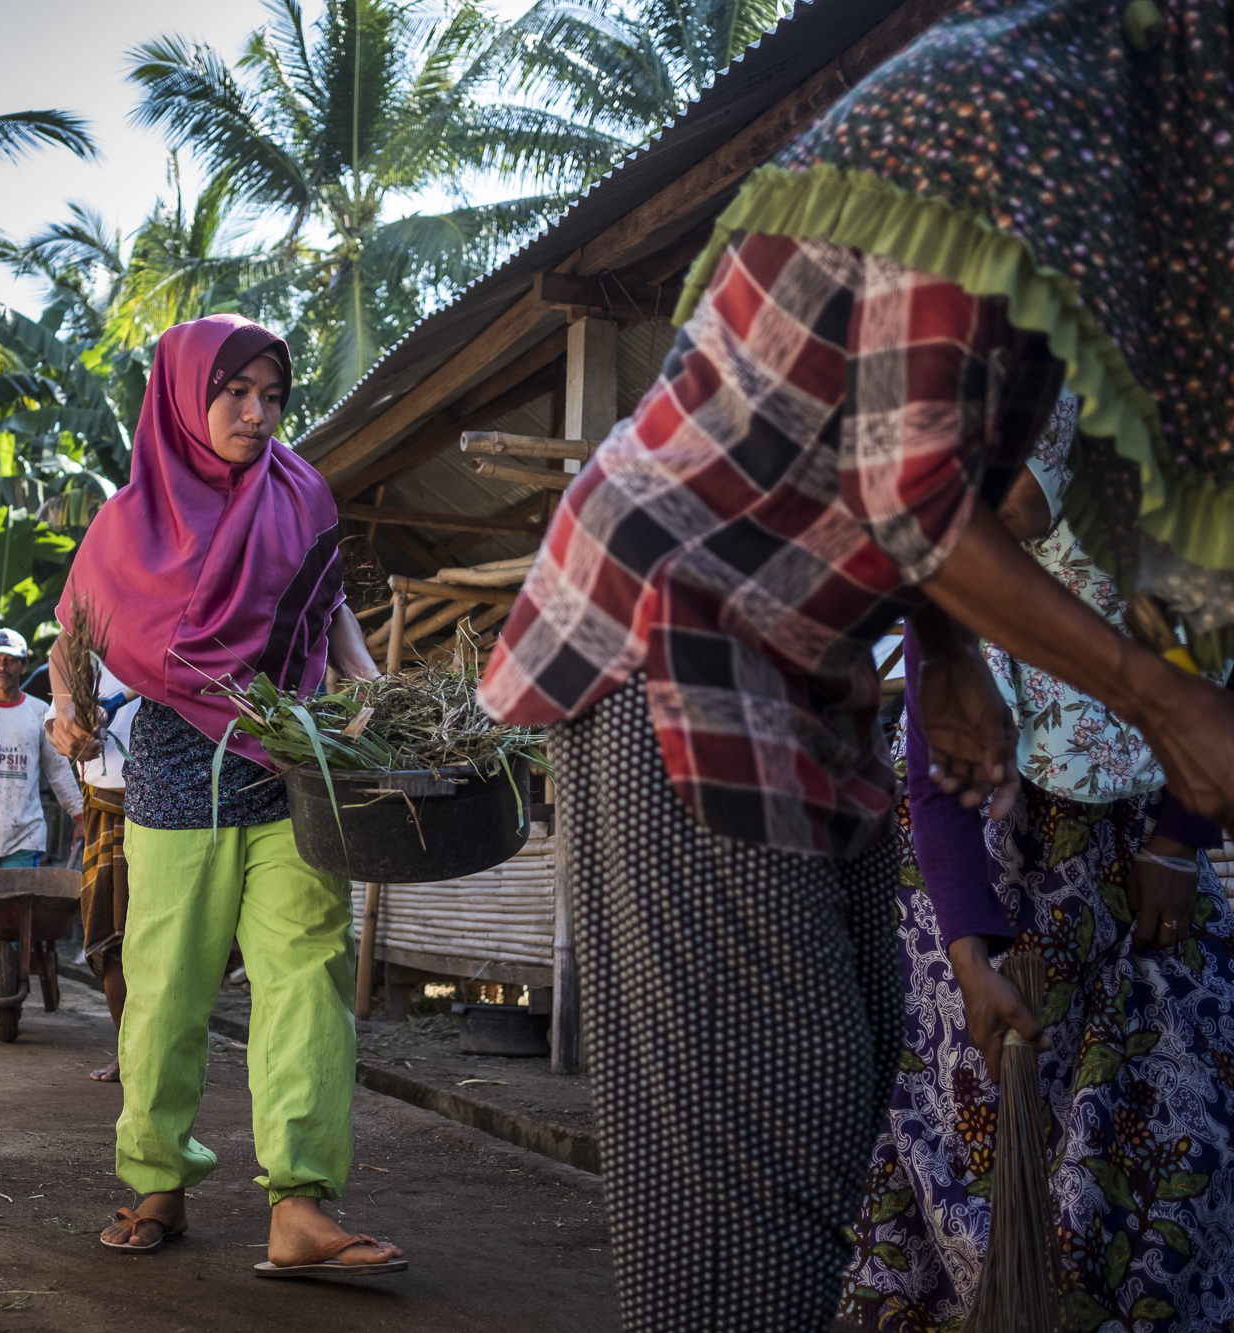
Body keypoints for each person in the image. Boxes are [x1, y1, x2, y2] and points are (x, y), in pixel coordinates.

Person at [477, 3, 1234, 1325]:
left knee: (849, 1081)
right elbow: (913, 498)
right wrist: (1161, 699)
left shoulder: (1065, 173)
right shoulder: (1000, 117)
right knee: (769, 1122)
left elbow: (933, 451)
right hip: (681, 631)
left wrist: (948, 654)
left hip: (808, 658)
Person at [844, 399, 1234, 1329]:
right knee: (968, 1112)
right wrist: (971, 948)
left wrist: (1175, 841)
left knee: (1178, 1110)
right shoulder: (971, 569)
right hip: (982, 859)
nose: (1006, 510)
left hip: (1145, 851)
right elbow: (935, 772)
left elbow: (1217, 699)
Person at [47, 313, 404, 1276]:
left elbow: (328, 617)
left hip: (295, 764)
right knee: (167, 989)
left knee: (309, 979)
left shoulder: (303, 494)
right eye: (235, 393)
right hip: (174, 770)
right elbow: (70, 636)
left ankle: (302, 1203)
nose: (257, 414)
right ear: (183, 397)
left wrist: (370, 690)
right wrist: (67, 709)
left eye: (273, 396)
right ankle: (157, 1176)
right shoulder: (125, 524)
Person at [45, 661, 140, 1082]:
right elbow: (55, 726)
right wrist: (73, 739)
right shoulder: (85, 654)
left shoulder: (184, 630)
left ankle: (164, 1053)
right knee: (112, 938)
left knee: (163, 940)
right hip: (105, 802)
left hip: (177, 804)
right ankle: (128, 1053)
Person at [0, 627, 83, 870]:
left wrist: (80, 815)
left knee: (16, 908)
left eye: (11, 660)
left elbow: (59, 772)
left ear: (23, 666)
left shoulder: (40, 712)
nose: (2, 666)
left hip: (25, 838)